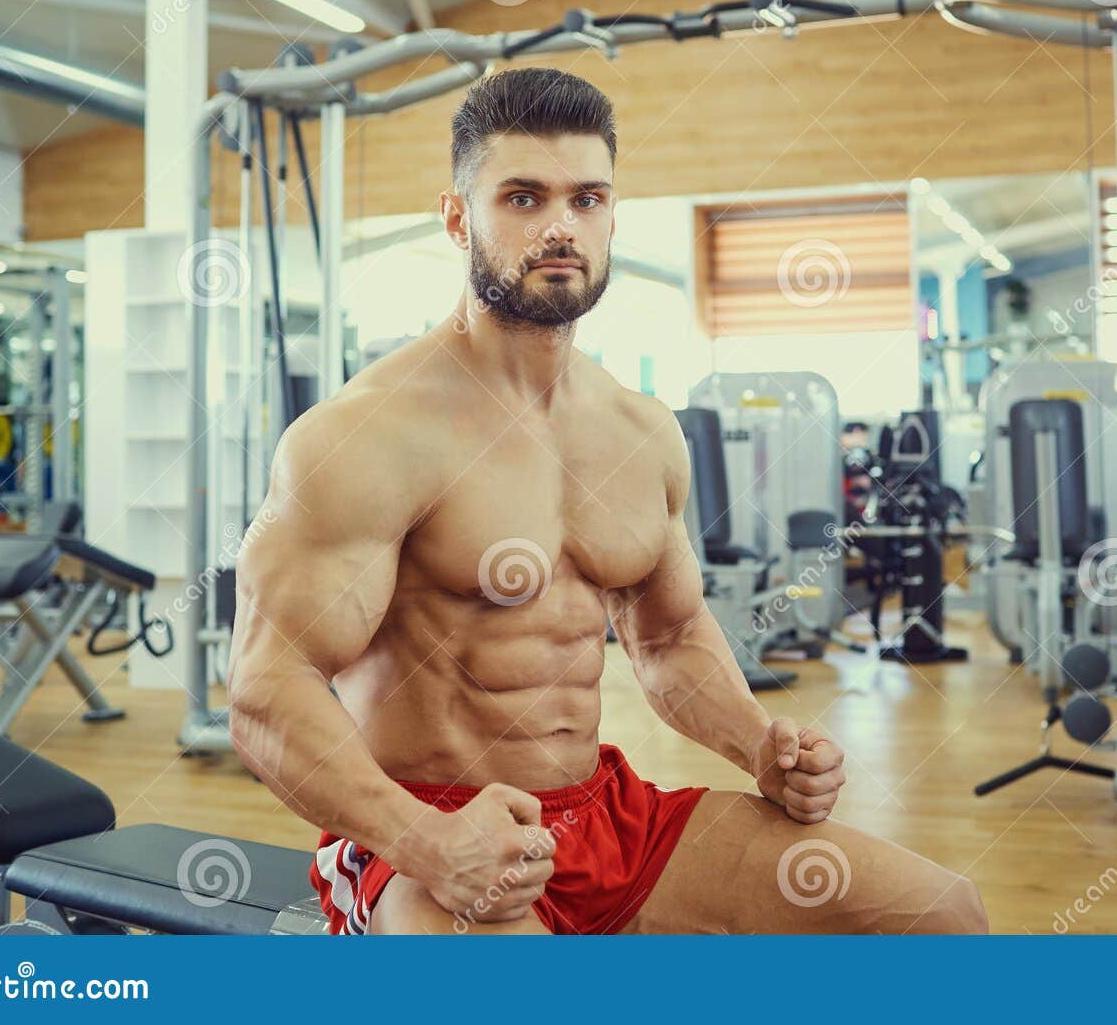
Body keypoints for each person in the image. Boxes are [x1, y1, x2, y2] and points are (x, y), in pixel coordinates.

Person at [227, 67, 987, 936]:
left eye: (586, 198)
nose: (559, 225)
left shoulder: (640, 430)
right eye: (521, 196)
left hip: (607, 818)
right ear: (456, 217)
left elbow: (667, 637)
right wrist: (426, 840)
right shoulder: (364, 436)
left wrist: (757, 745)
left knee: (939, 915)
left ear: (612, 218)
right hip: (433, 831)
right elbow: (264, 689)